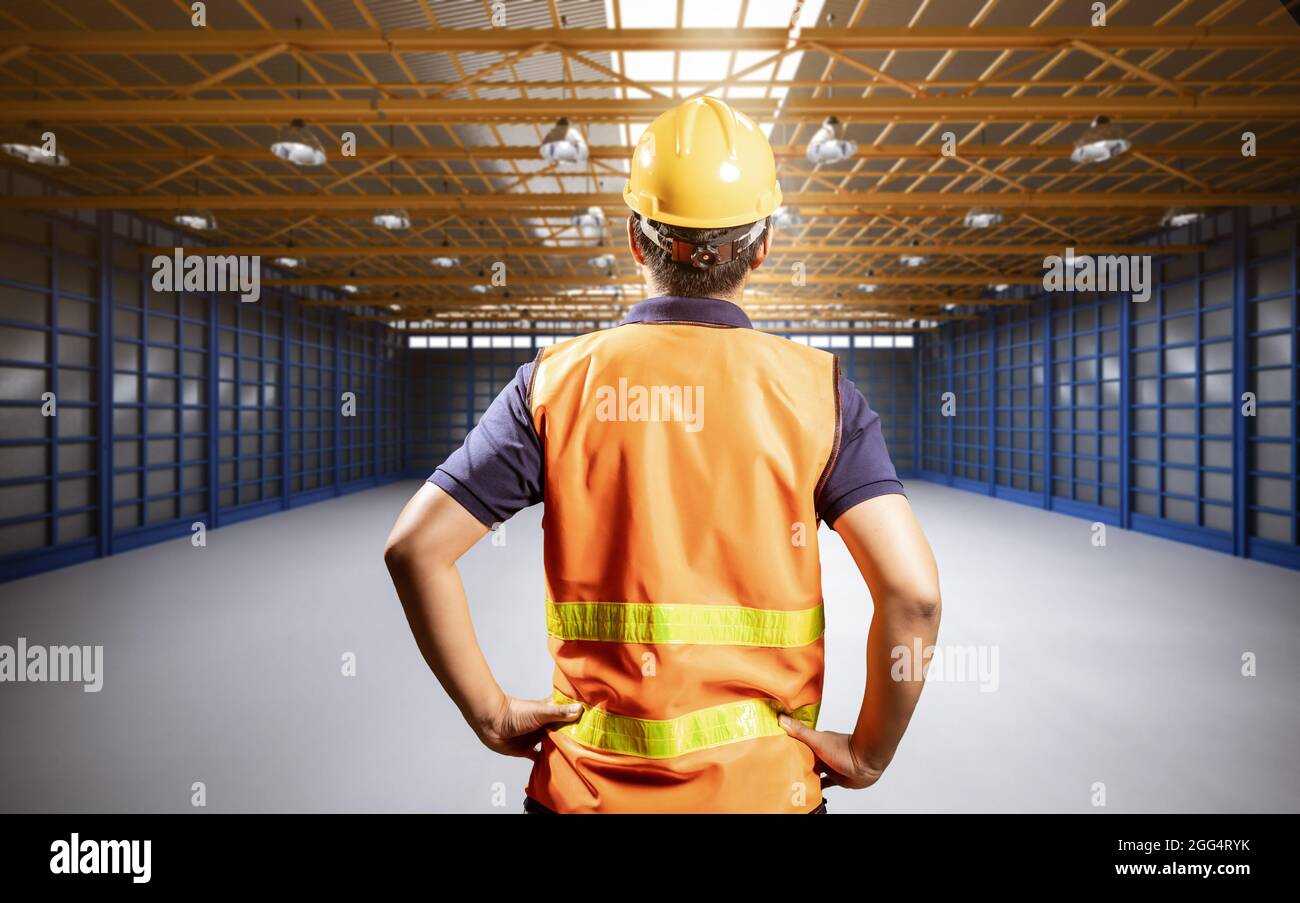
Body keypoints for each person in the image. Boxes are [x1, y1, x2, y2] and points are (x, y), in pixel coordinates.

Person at [384, 96, 941, 814]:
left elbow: (414, 547)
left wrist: (489, 711)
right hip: (765, 792)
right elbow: (916, 595)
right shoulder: (820, 391)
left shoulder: (555, 383)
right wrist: (868, 752)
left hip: (585, 792)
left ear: (635, 240)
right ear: (764, 245)